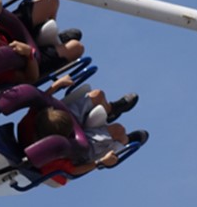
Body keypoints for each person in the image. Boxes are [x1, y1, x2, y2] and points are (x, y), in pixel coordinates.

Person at [19, 75, 147, 183]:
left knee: (98, 95)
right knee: (119, 131)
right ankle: (124, 142)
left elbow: (41, 99)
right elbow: (73, 171)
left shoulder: (34, 118)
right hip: (75, 149)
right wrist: (100, 162)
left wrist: (57, 85)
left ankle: (111, 111)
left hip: (63, 124)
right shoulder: (51, 157)